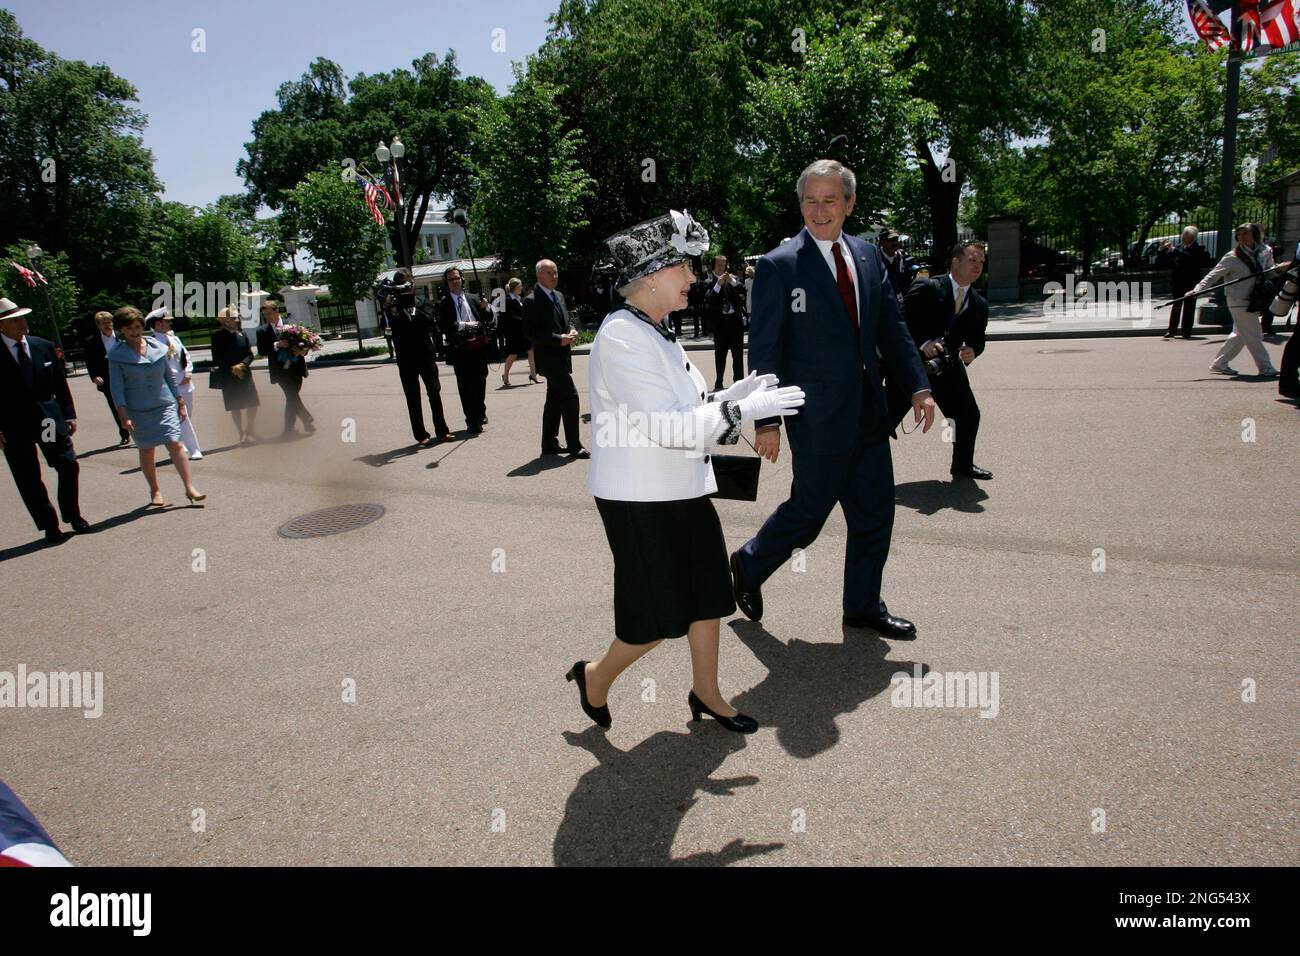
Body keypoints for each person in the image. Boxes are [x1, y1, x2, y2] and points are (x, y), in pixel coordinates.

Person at [571, 209, 804, 734]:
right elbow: (668, 426)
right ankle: (594, 676)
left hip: (682, 489)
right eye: (686, 269)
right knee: (654, 621)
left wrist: (733, 394)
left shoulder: (655, 331)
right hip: (638, 498)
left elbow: (689, 408)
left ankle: (707, 692)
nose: (695, 279)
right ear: (652, 275)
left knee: (707, 596)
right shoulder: (622, 337)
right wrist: (742, 412)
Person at [731, 159, 936, 638]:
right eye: (810, 200)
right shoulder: (779, 265)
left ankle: (862, 606)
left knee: (875, 513)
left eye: (829, 200)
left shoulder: (868, 257)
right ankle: (747, 563)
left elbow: (892, 327)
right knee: (808, 514)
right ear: (801, 204)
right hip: (817, 417)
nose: (819, 210)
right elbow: (765, 349)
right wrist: (766, 420)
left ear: (849, 203)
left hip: (868, 412)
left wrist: (919, 387)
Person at [886, 240, 992, 480]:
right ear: (956, 261)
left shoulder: (979, 304)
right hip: (913, 369)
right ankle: (860, 471)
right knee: (883, 420)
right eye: (972, 260)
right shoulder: (927, 287)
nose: (978, 267)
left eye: (982, 262)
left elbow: (978, 339)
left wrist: (973, 350)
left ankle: (962, 466)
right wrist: (923, 344)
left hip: (948, 369)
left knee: (968, 415)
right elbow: (897, 324)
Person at [0, 297, 89, 542]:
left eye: (22, 318)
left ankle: (72, 514)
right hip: (13, 426)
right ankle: (49, 524)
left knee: (67, 463)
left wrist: (68, 413)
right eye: (15, 320)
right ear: (1, 326)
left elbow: (60, 383)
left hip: (48, 421)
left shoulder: (42, 346)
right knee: (28, 477)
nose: (22, 324)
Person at [107, 307, 204, 507]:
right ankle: (155, 489)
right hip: (138, 409)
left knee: (175, 443)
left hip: (164, 404)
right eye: (129, 328)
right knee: (147, 450)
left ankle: (189, 487)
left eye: (137, 326)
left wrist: (180, 401)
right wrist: (123, 415)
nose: (135, 331)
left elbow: (168, 377)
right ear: (122, 330)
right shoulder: (117, 355)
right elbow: (116, 388)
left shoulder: (156, 347)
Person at [1190, 224, 1281, 378]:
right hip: (1238, 299)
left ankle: (1219, 363)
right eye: (1239, 234)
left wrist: (1279, 269)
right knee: (1254, 333)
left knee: (1240, 334)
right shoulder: (1232, 256)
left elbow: (1269, 273)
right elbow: (1213, 275)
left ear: (1255, 235)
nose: (1242, 237)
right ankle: (1265, 367)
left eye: (1246, 233)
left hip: (1256, 297)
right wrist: (1197, 289)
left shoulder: (1265, 251)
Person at [379, 269, 452, 445]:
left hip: (426, 355)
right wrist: (388, 307)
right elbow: (387, 327)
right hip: (406, 358)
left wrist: (413, 313)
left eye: (411, 282)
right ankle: (421, 435)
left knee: (434, 393)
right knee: (413, 397)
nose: (409, 285)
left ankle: (442, 431)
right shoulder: (392, 307)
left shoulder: (421, 302)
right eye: (405, 283)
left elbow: (429, 321)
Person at [524, 259, 587, 457]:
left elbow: (564, 321)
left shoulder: (558, 295)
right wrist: (559, 339)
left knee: (554, 398)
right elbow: (530, 332)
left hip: (562, 356)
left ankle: (549, 443)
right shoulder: (532, 300)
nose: (555, 276)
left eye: (556, 272)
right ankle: (574, 445)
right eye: (550, 273)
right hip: (548, 358)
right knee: (571, 395)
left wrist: (571, 330)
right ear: (539, 276)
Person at [435, 267, 494, 434]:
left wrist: (486, 308)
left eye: (456, 278)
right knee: (465, 385)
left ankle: (480, 410)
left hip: (478, 347)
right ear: (447, 283)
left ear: (462, 279)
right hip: (459, 349)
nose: (454, 282)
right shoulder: (443, 303)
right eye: (450, 280)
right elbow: (442, 325)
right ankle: (472, 420)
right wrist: (464, 325)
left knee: (481, 380)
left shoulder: (474, 298)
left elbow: (488, 319)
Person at [147, 308, 202, 460]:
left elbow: (186, 356)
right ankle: (194, 449)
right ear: (158, 324)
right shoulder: (152, 343)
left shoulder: (174, 339)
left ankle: (179, 443)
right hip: (169, 386)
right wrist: (175, 379)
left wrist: (188, 372)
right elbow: (159, 366)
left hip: (185, 382)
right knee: (184, 417)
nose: (170, 322)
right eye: (166, 321)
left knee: (186, 415)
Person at [210, 306, 261, 442]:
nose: (237, 320)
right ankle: (240, 432)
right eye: (234, 318)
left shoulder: (242, 334)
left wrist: (243, 365)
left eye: (237, 317)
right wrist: (233, 369)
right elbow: (217, 358)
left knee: (253, 403)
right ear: (225, 321)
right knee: (235, 406)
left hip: (245, 375)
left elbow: (250, 354)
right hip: (229, 377)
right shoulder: (218, 336)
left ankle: (250, 428)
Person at [81, 310, 130, 446]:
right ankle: (125, 433)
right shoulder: (92, 341)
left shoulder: (123, 336)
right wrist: (95, 376)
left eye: (109, 322)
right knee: (116, 408)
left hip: (128, 376)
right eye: (104, 323)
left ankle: (139, 431)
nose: (108, 325)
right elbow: (90, 362)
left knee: (133, 404)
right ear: (99, 326)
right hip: (108, 380)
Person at [1158, 226, 1211, 339]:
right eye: (1183, 234)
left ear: (1192, 237)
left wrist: (1174, 250)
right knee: (1176, 306)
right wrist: (1162, 250)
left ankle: (1186, 330)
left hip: (1191, 282)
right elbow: (1164, 262)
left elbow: (1190, 258)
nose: (1182, 237)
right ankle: (1171, 330)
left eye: (1185, 235)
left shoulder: (1199, 249)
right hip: (1177, 281)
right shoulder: (1178, 247)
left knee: (1189, 307)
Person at [705, 255, 746, 390]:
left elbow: (742, 290)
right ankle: (719, 381)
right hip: (720, 325)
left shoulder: (733, 281)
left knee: (738, 355)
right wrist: (718, 284)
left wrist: (732, 281)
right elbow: (709, 300)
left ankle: (739, 382)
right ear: (713, 267)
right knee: (720, 356)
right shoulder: (710, 283)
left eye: (724, 265)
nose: (722, 268)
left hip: (735, 324)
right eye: (719, 265)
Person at [499, 278, 537, 387]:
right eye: (520, 286)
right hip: (512, 332)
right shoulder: (504, 299)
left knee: (530, 350)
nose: (522, 287)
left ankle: (533, 375)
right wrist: (523, 320)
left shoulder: (521, 298)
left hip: (523, 331)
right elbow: (504, 317)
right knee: (513, 354)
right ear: (514, 287)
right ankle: (505, 375)